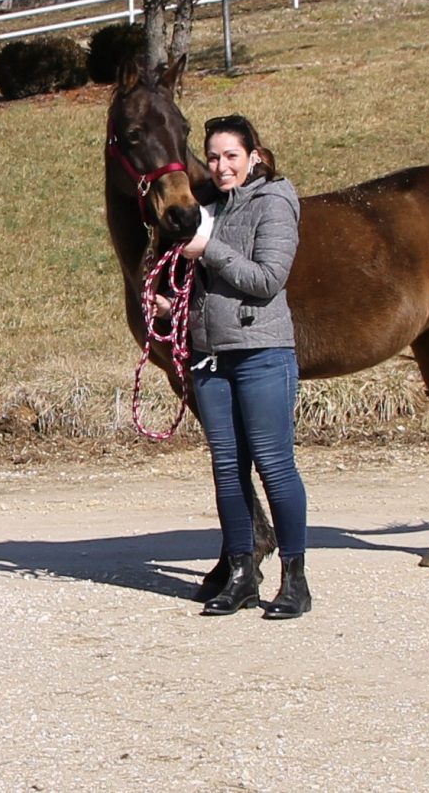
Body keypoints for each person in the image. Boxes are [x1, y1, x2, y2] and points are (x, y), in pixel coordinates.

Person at [161, 114, 310, 619]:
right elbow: (213, 286)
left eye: (231, 156)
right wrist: (175, 307)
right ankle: (243, 575)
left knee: (274, 466)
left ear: (254, 157)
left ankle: (295, 579)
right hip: (212, 357)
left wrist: (209, 250)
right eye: (214, 157)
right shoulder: (214, 207)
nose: (221, 166)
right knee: (228, 470)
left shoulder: (275, 204)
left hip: (263, 354)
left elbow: (267, 279)